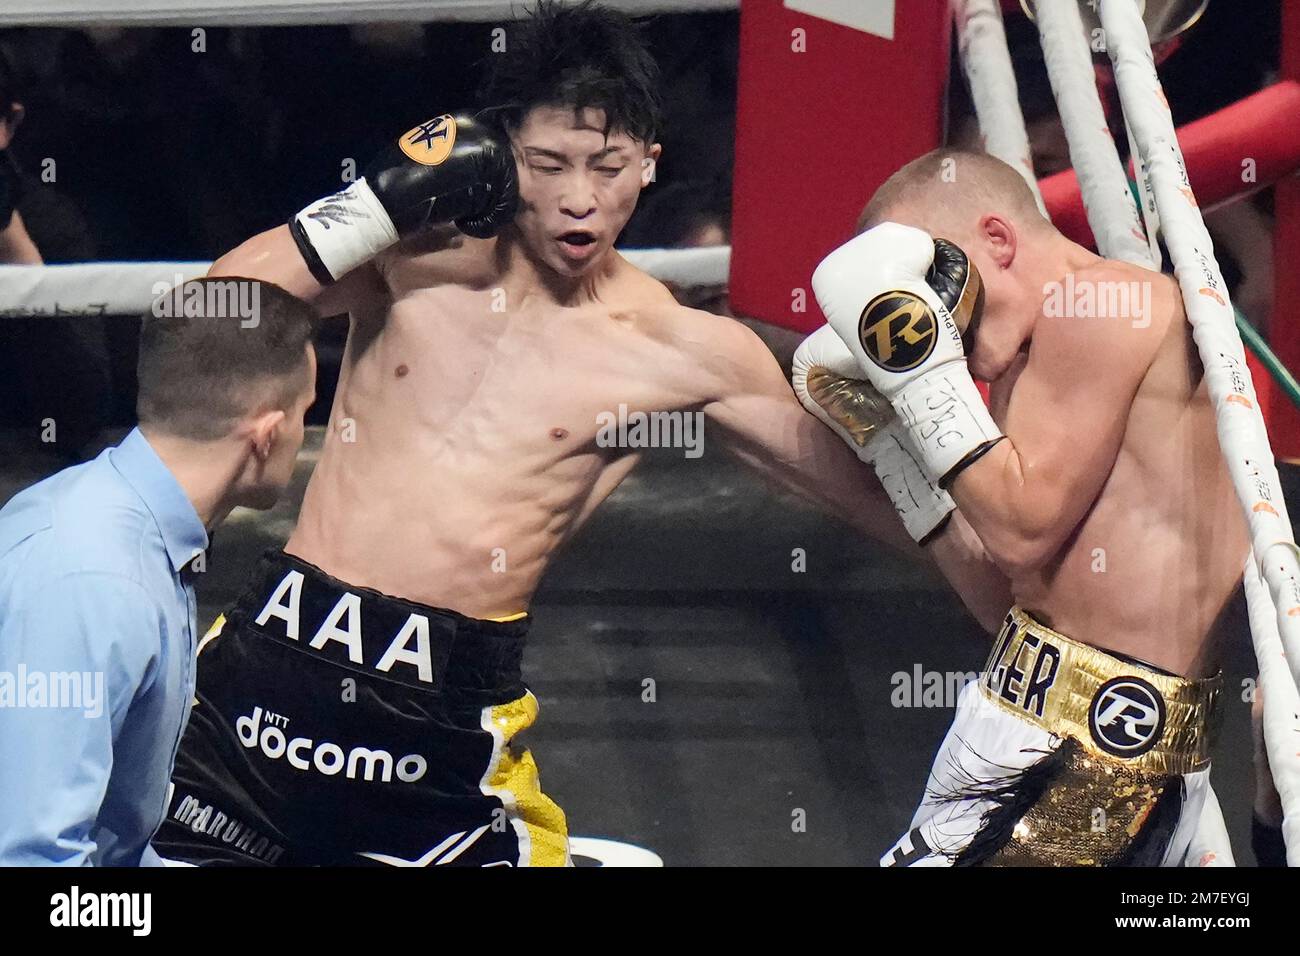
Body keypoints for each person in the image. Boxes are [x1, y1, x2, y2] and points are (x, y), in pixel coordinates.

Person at [153, 1, 1005, 868]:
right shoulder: (413, 255)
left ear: (649, 167)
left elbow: (895, 504)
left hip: (440, 712)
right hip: (271, 661)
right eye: (547, 163)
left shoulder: (682, 351)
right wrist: (375, 204)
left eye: (608, 166)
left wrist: (953, 448)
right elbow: (219, 311)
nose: (578, 199)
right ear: (498, 153)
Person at [801, 147, 1248, 866]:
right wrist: (896, 449)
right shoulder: (1024, 365)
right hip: (1037, 726)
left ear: (998, 242)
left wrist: (917, 382)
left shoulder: (1101, 302)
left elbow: (1019, 530)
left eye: (934, 289)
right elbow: (1001, 595)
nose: (934, 323)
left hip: (1090, 764)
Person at [0, 278, 317, 865]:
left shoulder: (122, 526)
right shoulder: (95, 579)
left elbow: (106, 843)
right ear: (267, 434)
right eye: (303, 414)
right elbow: (30, 860)